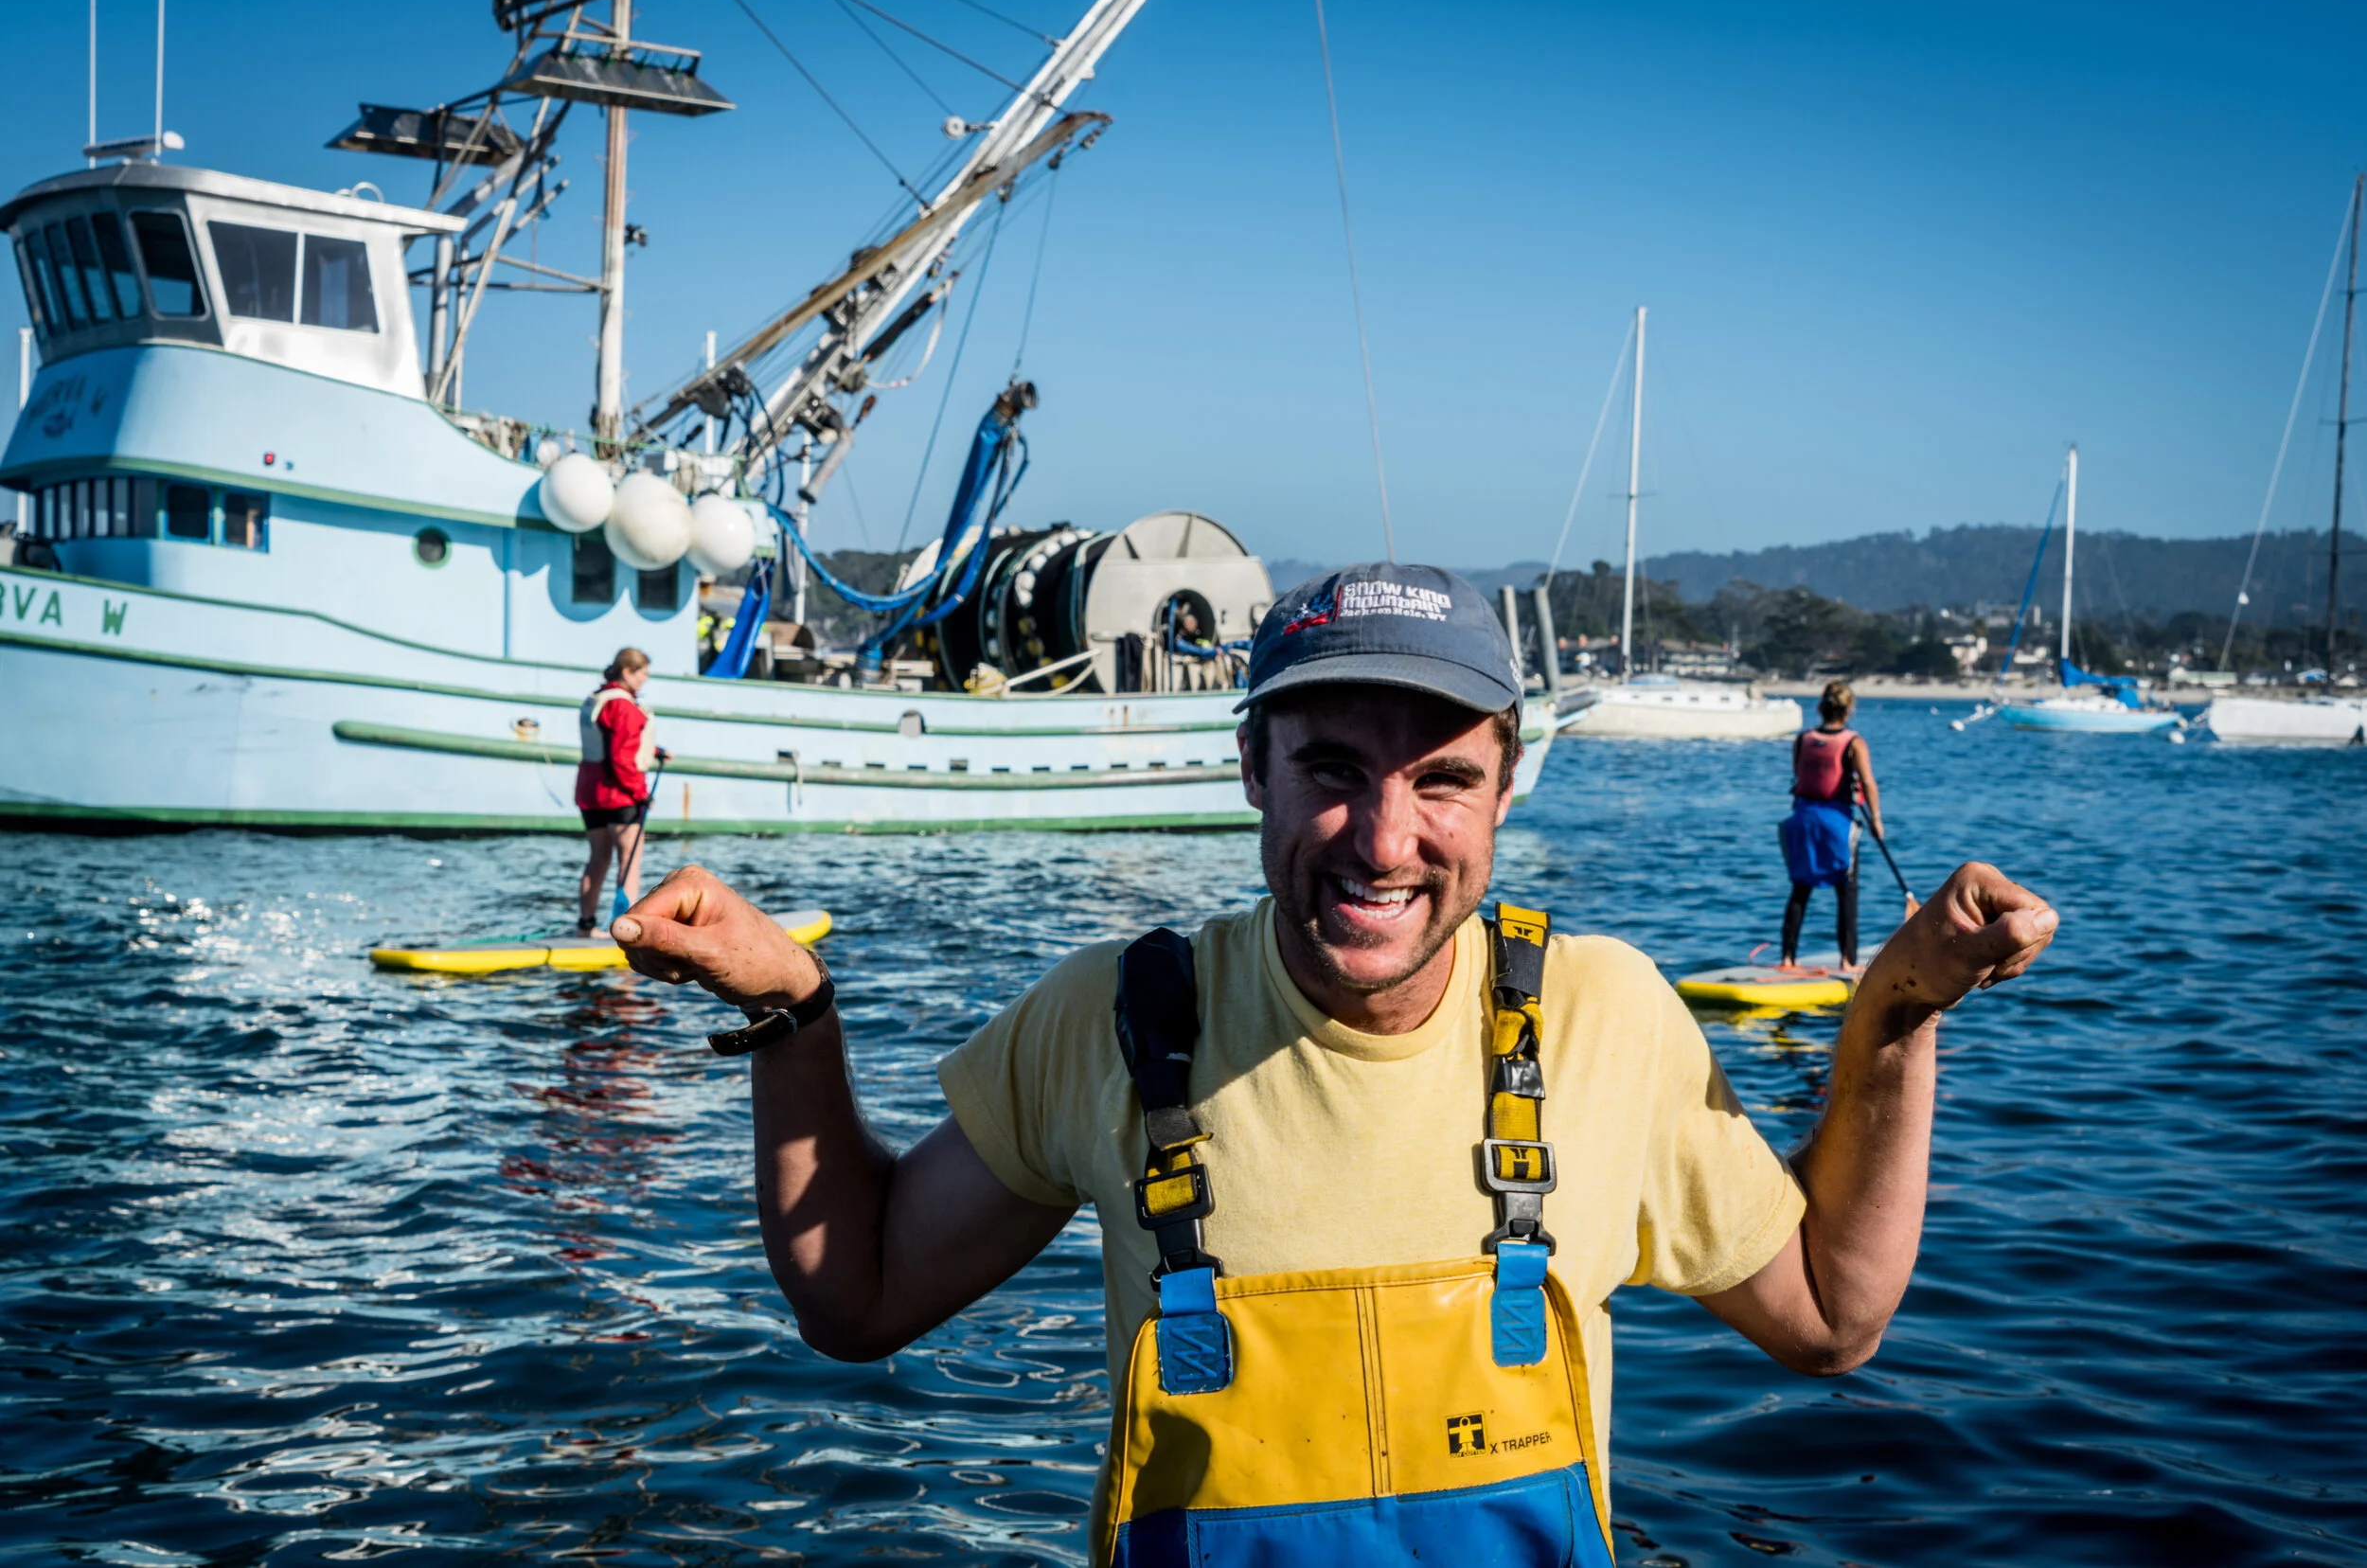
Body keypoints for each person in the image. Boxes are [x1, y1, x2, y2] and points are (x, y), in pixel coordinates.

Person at [609, 564, 2056, 1565]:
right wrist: (794, 1014)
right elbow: (857, 1300)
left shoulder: (1608, 1018)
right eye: (1333, 772)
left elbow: (1830, 1320)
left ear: (1505, 783)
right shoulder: (1118, 1018)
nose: (1382, 839)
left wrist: (1896, 1015)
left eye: (1441, 779)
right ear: (1254, 769)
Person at [1779, 680, 1882, 970]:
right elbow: (1868, 783)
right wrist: (1876, 820)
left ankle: (1787, 959)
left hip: (1801, 819)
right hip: (1836, 823)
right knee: (1846, 891)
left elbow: (1800, 774)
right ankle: (1848, 962)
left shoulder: (1803, 739)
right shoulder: (1854, 742)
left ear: (1821, 707)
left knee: (1800, 889)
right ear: (1848, 710)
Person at [575, 648, 668, 935]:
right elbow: (622, 758)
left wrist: (655, 751)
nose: (644, 681)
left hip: (591, 792)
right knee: (629, 860)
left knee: (598, 859)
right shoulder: (625, 706)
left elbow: (611, 741)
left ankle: (586, 925)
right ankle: (627, 930)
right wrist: (641, 794)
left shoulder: (598, 699)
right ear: (627, 672)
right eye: (642, 674)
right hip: (620, 794)